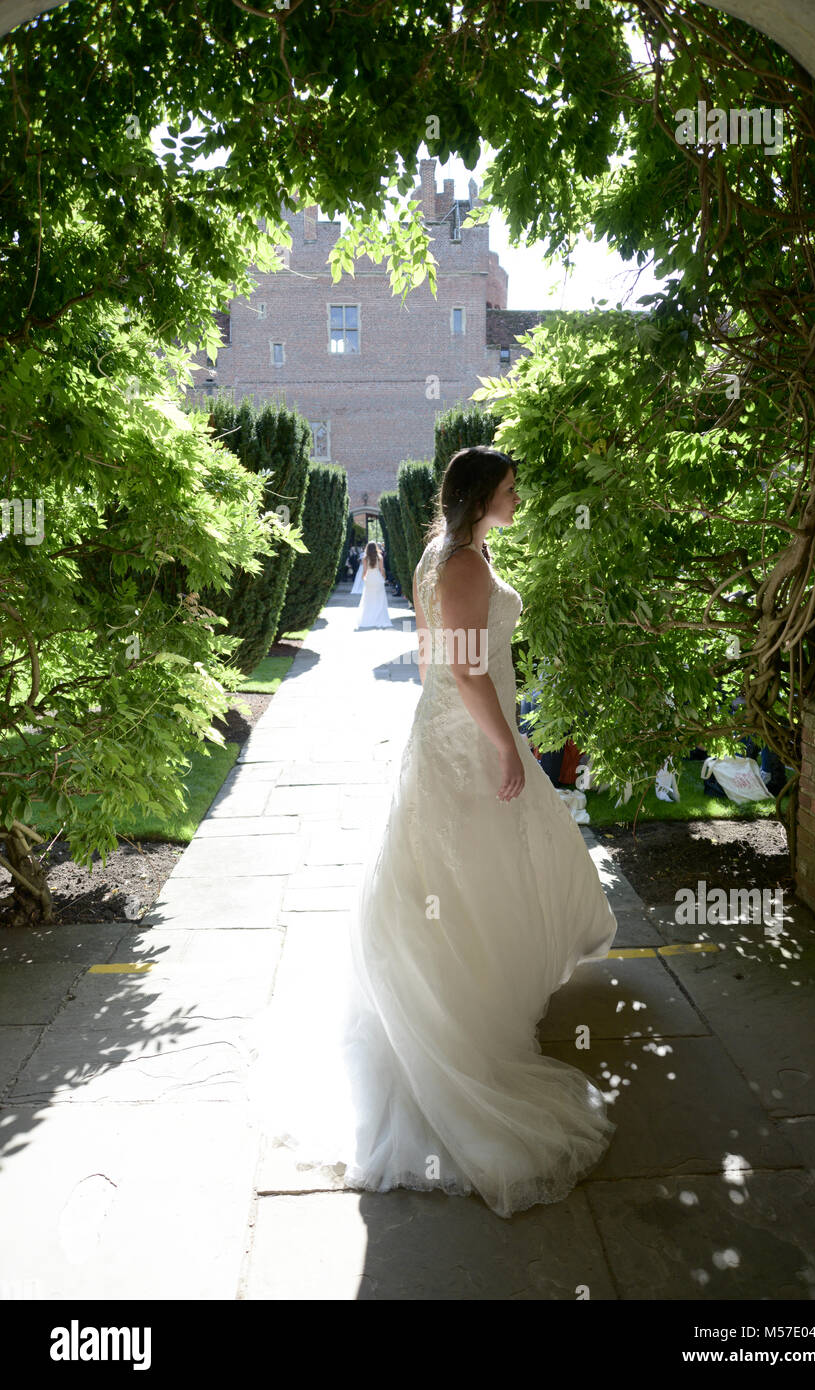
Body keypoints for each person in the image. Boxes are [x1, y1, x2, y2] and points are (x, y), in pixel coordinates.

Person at [248, 446, 617, 1219]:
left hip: (449, 729)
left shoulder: (448, 556)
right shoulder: (460, 564)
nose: (519, 497)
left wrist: (456, 722)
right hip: (468, 737)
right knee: (462, 875)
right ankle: (457, 1021)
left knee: (465, 874)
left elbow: (429, 659)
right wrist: (499, 744)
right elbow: (468, 670)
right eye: (512, 488)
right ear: (482, 494)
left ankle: (489, 986)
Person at [354, 541, 392, 628]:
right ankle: (379, 617)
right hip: (377, 578)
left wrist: (363, 578)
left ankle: (368, 618)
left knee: (368, 599)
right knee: (379, 599)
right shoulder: (379, 557)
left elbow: (364, 571)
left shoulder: (365, 558)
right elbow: (382, 569)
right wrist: (384, 577)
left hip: (370, 579)